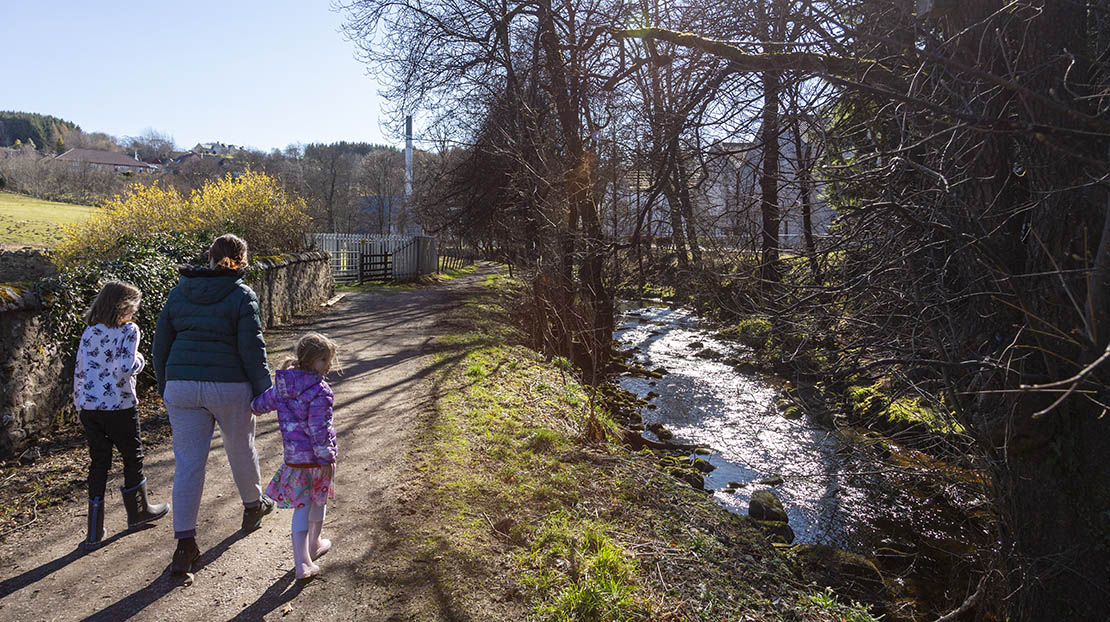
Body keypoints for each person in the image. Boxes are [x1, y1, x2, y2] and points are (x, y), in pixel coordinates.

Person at [153, 233, 275, 576]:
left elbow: (161, 345)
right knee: (240, 447)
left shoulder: (179, 292)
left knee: (188, 465)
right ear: (243, 259)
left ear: (209, 257)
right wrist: (264, 392)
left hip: (182, 386)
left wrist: (167, 387)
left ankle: (185, 545)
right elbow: (253, 350)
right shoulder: (241, 295)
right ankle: (253, 507)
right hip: (229, 385)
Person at [74, 280, 169, 550]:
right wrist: (140, 359)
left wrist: (79, 405)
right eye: (133, 307)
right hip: (120, 406)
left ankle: (94, 530)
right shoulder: (129, 330)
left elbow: (79, 371)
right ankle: (138, 512)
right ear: (123, 306)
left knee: (99, 463)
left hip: (90, 407)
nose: (135, 313)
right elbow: (127, 367)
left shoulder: (90, 331)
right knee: (132, 456)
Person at [250, 333, 338, 580]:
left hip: (294, 460)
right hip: (316, 460)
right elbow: (319, 429)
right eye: (323, 360)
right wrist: (326, 457)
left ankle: (309, 553)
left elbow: (258, 405)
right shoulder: (320, 391)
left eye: (329, 359)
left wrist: (251, 402)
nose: (328, 365)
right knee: (316, 502)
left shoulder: (284, 385)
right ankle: (308, 554)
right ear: (309, 360)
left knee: (305, 505)